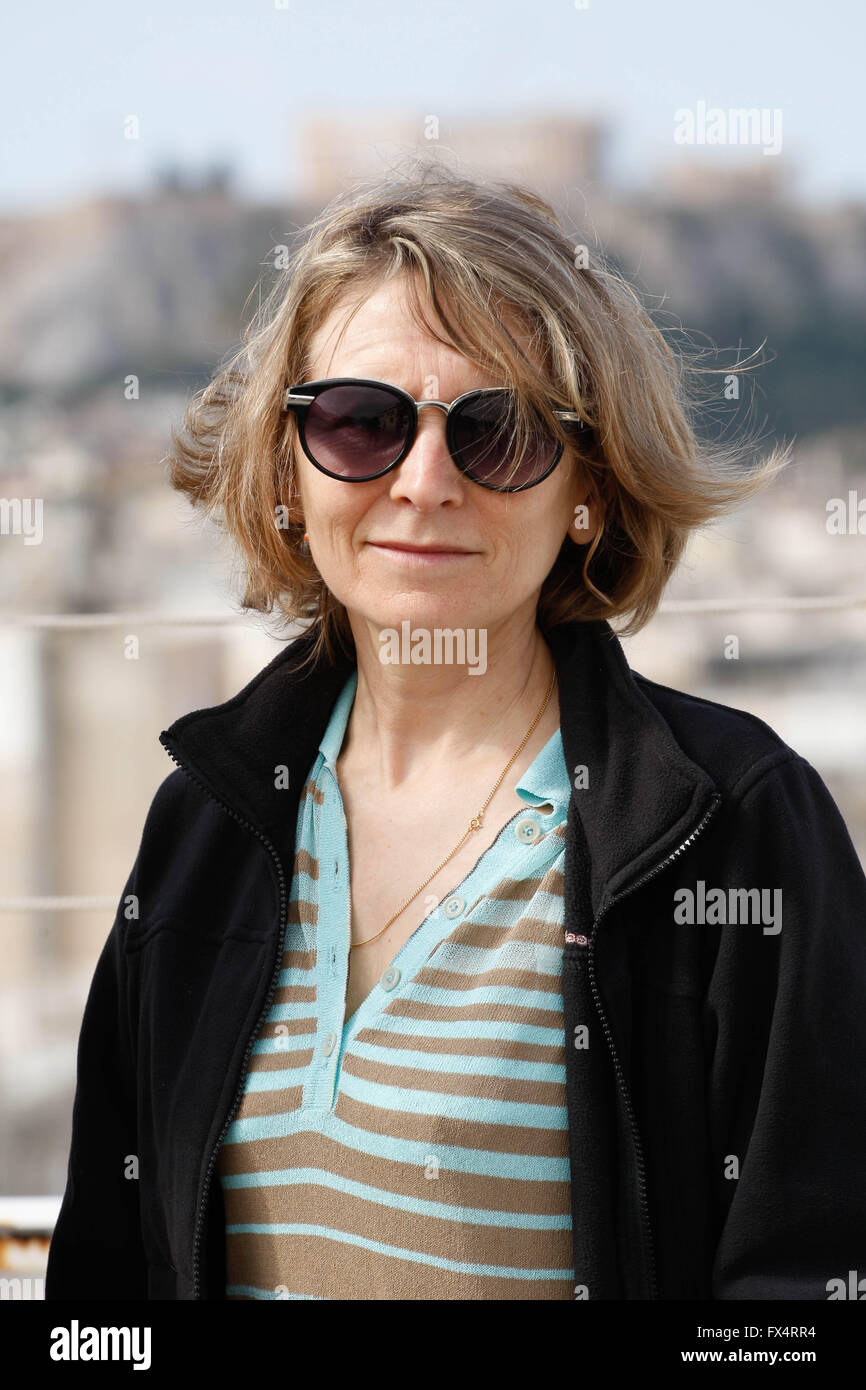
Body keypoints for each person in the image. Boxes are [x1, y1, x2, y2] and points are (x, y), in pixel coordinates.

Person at [46, 159, 866, 1301]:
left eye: (500, 432)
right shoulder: (207, 822)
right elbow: (109, 1279)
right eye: (356, 422)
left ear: (588, 487)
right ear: (289, 466)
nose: (424, 480)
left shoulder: (730, 825)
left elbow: (803, 1290)